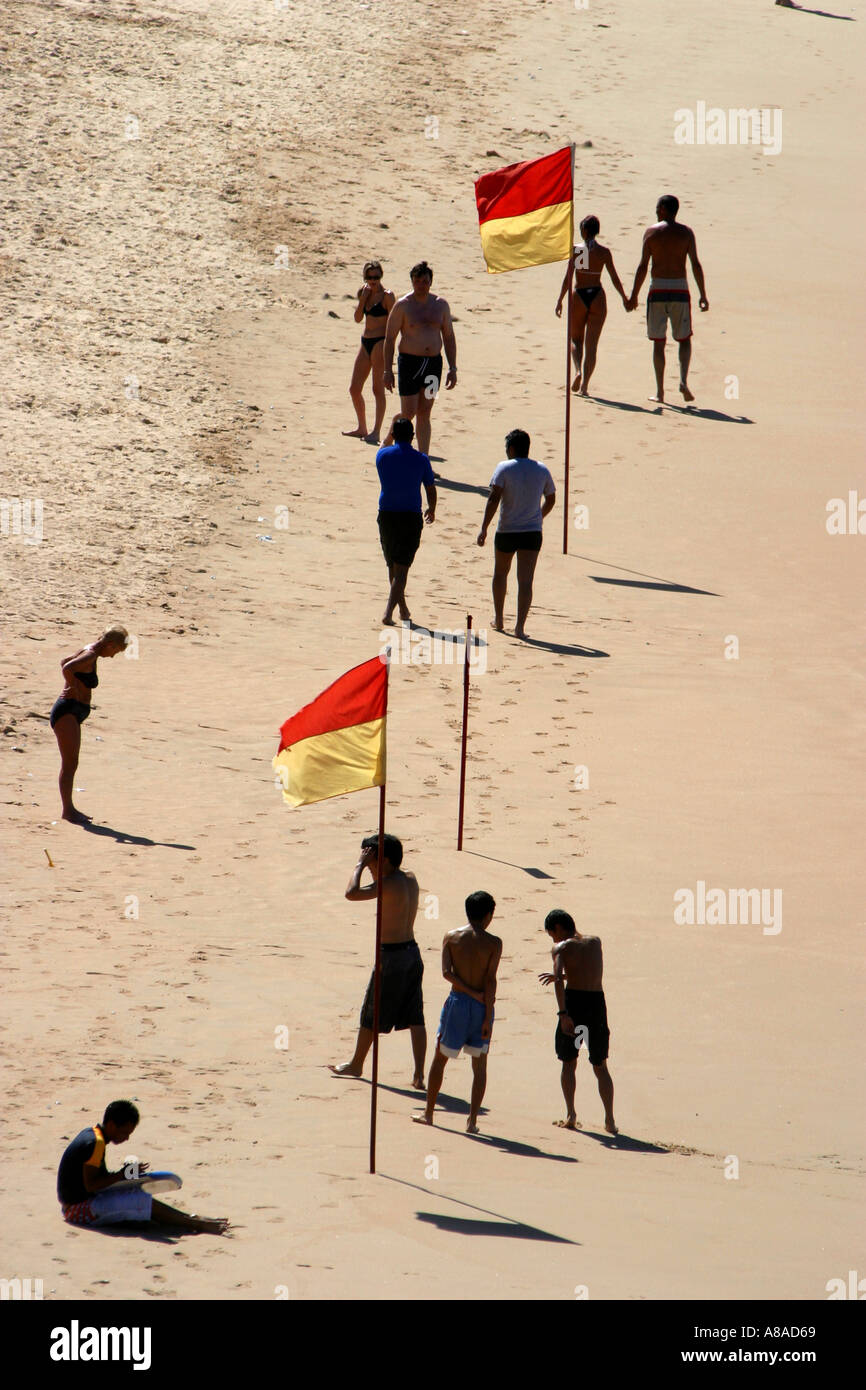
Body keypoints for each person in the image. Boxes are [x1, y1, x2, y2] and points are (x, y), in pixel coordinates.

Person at [330, 834, 427, 1089]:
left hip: (391, 957)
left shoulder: (388, 884)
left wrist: (359, 865)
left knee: (371, 1012)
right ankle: (419, 1074)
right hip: (412, 953)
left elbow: (351, 893)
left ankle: (357, 1064)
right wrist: (372, 864)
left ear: (382, 860)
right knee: (415, 1016)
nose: (370, 866)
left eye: (373, 861)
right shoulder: (409, 877)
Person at [56, 1099, 229, 1232]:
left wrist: (126, 1176)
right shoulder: (95, 1143)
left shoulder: (92, 1133)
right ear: (111, 1125)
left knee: (137, 1194)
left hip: (82, 1202)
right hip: (76, 1210)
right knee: (140, 1200)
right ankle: (197, 1223)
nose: (126, 1138)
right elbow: (91, 1185)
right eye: (124, 1132)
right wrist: (122, 1175)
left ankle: (194, 1219)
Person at [413, 891, 501, 1134]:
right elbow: (491, 980)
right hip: (483, 1006)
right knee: (480, 1065)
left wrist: (470, 994)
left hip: (458, 1004)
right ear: (488, 915)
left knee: (440, 1059)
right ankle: (472, 1121)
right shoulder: (494, 943)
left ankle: (429, 1114)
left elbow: (446, 973)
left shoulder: (451, 937)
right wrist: (487, 1015)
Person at [539, 909, 617, 1134]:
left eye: (552, 934)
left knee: (568, 1062)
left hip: (575, 1005)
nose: (553, 939)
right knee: (600, 1065)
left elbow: (557, 981)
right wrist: (565, 976)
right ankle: (610, 1120)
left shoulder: (561, 948)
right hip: (597, 1004)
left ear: (558, 929)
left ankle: (571, 1114)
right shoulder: (595, 942)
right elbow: (585, 970)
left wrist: (563, 1014)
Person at [627, 194, 709, 404]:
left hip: (658, 289)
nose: (655, 210)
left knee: (658, 342)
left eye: (657, 207)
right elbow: (695, 265)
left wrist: (634, 294)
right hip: (680, 288)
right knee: (684, 339)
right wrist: (703, 294)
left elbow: (643, 266)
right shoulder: (686, 233)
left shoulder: (652, 232)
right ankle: (682, 380)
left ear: (663, 208)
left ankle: (660, 392)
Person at [476, 428, 555, 639]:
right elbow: (551, 498)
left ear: (511, 449)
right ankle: (520, 627)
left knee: (501, 573)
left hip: (507, 530)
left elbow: (494, 498)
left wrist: (484, 527)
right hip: (532, 532)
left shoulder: (504, 468)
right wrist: (539, 516)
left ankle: (499, 619)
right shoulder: (541, 469)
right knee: (526, 581)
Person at [51, 626, 128, 824]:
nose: (113, 656)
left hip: (74, 711)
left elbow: (65, 660)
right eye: (116, 651)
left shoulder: (89, 650)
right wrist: (72, 687)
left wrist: (74, 684)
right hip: (67, 711)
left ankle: (69, 809)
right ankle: (68, 811)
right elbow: (67, 668)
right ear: (110, 644)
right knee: (70, 764)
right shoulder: (91, 654)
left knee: (71, 763)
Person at [382, 261, 456, 455]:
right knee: (408, 413)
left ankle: (423, 458)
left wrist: (453, 367)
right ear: (412, 282)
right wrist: (387, 370)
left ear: (431, 282)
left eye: (425, 281)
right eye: (417, 281)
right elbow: (389, 339)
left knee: (425, 412)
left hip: (433, 365)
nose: (421, 285)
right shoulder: (403, 306)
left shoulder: (440, 305)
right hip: (409, 364)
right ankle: (389, 441)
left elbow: (448, 336)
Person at [555, 215, 629, 396]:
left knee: (576, 340)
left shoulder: (579, 250)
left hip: (580, 295)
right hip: (597, 296)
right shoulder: (604, 252)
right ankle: (585, 387)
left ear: (585, 230)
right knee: (592, 345)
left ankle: (578, 370)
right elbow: (614, 278)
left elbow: (570, 277)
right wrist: (624, 298)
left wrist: (560, 299)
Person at [375, 415, 436, 626]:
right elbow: (430, 488)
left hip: (387, 514)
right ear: (412, 437)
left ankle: (402, 609)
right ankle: (388, 612)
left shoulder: (381, 456)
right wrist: (432, 508)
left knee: (392, 565)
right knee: (402, 568)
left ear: (392, 435)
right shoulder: (421, 459)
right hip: (410, 516)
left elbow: (384, 446)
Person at [342, 260, 396, 443]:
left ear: (381, 276)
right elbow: (358, 318)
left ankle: (376, 431)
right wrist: (363, 299)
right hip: (365, 341)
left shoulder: (388, 296)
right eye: (370, 277)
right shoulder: (363, 293)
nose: (373, 281)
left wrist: (390, 349)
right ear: (365, 278)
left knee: (377, 389)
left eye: (377, 277)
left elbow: (393, 323)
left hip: (380, 342)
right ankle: (362, 427)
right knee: (354, 388)